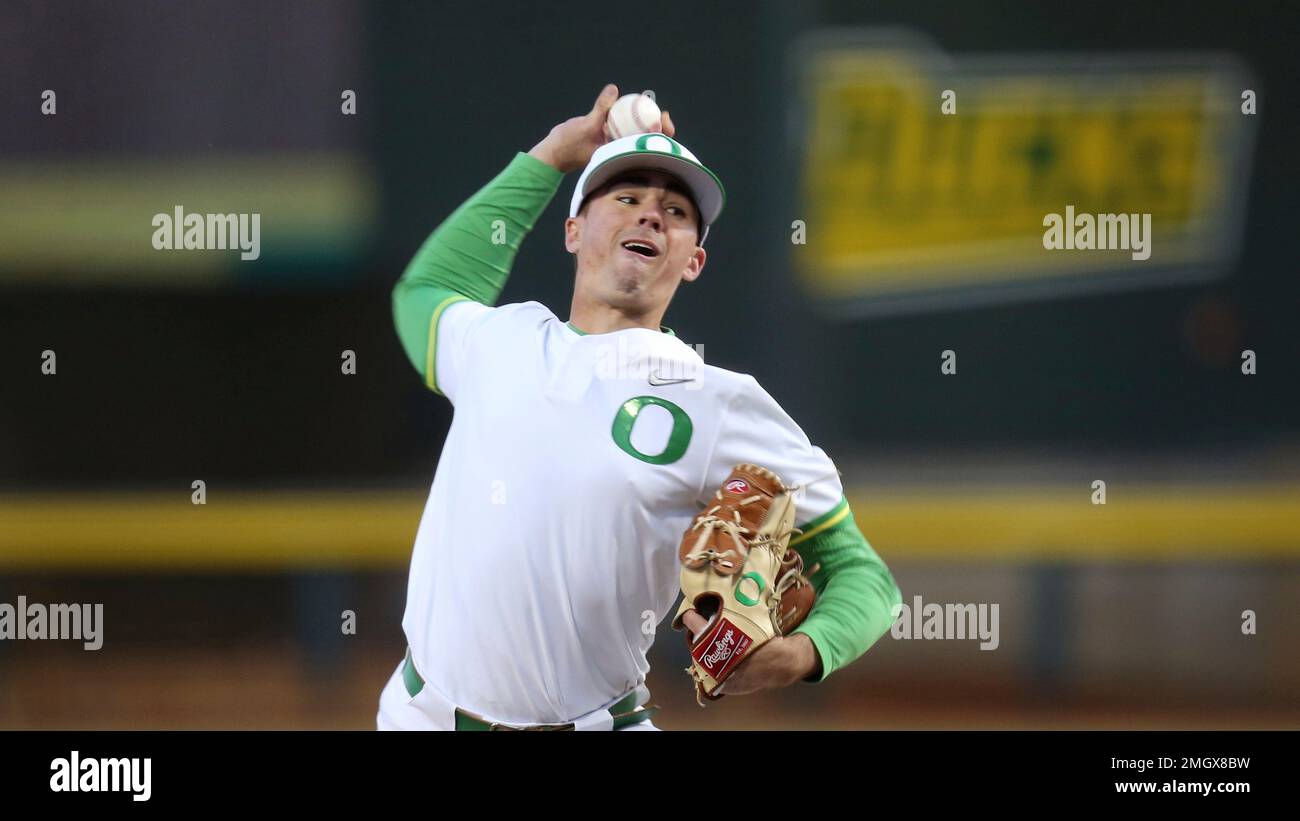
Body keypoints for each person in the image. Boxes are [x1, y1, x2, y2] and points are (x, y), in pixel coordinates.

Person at [377, 84, 902, 731]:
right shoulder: (498, 340)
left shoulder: (718, 401)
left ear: (694, 260)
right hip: (421, 715)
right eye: (625, 198)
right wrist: (548, 156)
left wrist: (798, 653)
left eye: (676, 211)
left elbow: (865, 575)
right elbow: (427, 288)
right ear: (573, 230)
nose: (651, 214)